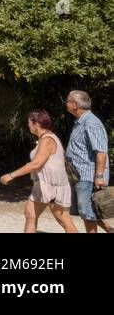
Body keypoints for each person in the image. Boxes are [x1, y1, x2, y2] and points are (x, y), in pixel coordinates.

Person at [0, 109, 77, 233]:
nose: (28, 125)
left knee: (64, 221)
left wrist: (11, 175)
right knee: (30, 214)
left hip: (53, 187)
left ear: (36, 124)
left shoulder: (47, 140)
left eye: (29, 122)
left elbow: (36, 163)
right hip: (44, 186)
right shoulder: (46, 138)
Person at [64, 90, 111, 233]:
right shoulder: (81, 121)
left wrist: (99, 176)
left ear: (74, 105)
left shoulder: (91, 123)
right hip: (79, 175)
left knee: (87, 213)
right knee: (87, 212)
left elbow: (101, 152)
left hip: (88, 176)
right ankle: (110, 229)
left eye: (67, 101)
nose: (66, 104)